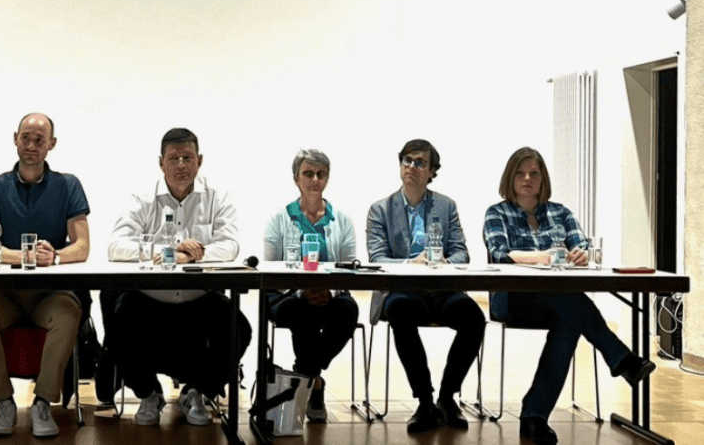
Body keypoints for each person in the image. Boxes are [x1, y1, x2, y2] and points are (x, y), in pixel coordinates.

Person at [483, 147, 655, 445]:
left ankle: (535, 417)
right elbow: (502, 254)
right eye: (521, 173)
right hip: (512, 300)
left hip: (558, 302)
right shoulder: (497, 212)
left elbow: (583, 247)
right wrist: (545, 257)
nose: (527, 178)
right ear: (510, 176)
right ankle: (621, 358)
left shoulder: (560, 213)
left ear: (543, 179)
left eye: (534, 173)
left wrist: (579, 255)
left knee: (569, 319)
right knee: (568, 300)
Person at [106, 128, 252, 427]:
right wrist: (169, 251)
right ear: (162, 163)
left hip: (200, 299)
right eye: (174, 158)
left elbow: (231, 245)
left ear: (199, 161)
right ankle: (148, 394)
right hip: (150, 300)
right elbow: (115, 246)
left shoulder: (217, 197)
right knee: (118, 319)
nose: (181, 164)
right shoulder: (143, 199)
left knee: (240, 327)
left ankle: (198, 392)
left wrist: (196, 254)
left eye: (188, 157)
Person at [0, 113, 90, 439]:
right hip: (3, 292)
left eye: (39, 140)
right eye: (26, 138)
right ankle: (3, 401)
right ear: (15, 139)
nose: (32, 146)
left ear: (52, 144)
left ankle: (43, 402)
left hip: (50, 292)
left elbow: (82, 247)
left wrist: (56, 257)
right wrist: (26, 257)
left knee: (68, 314)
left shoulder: (68, 185)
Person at [366, 138, 485, 435]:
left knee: (474, 317)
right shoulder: (380, 209)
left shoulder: (446, 206)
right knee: (400, 311)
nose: (412, 167)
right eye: (407, 160)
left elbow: (461, 251)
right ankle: (425, 400)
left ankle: (447, 397)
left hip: (443, 288)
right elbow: (378, 258)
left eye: (420, 163)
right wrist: (410, 264)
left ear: (432, 171)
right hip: (404, 289)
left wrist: (444, 260)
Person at [263, 148, 358, 422]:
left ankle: (305, 375)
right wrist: (304, 290)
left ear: (327, 178)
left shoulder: (342, 220)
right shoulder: (279, 219)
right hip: (288, 297)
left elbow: (350, 268)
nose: (315, 179)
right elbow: (270, 270)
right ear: (296, 178)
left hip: (331, 294)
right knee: (298, 310)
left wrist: (330, 291)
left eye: (321, 174)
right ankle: (314, 383)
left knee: (348, 311)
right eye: (308, 173)